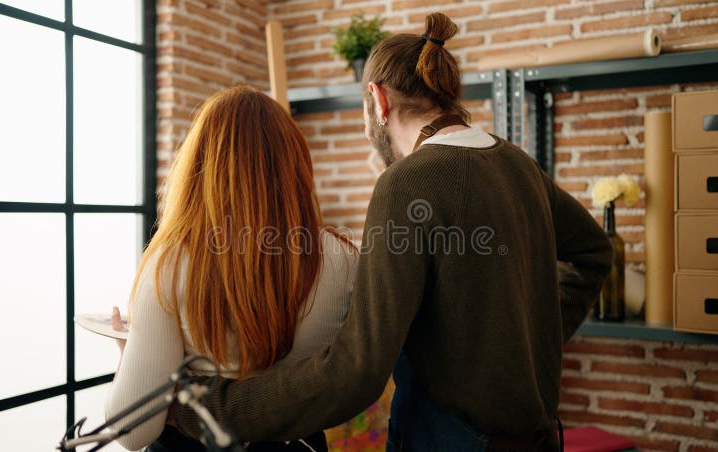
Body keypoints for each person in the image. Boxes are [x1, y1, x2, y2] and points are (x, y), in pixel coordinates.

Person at [171, 12, 612, 451]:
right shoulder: (517, 164)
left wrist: (206, 407)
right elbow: (594, 251)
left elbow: (355, 373)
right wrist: (528, 342)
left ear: (377, 99)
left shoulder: (406, 182)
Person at [104, 86, 357, 451]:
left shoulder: (170, 263)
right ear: (295, 164)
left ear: (199, 166)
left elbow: (131, 430)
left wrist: (129, 350)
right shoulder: (345, 259)